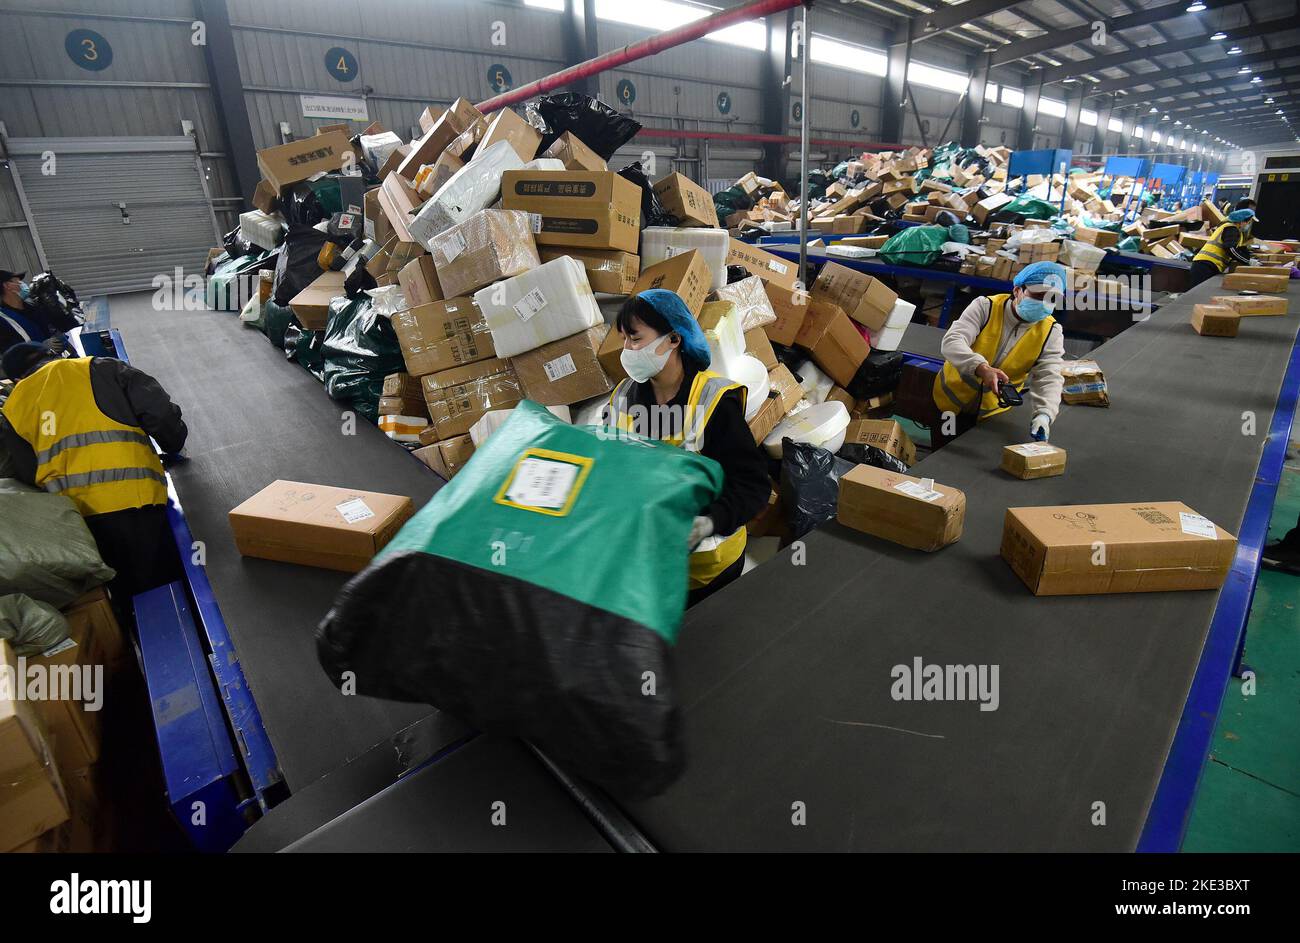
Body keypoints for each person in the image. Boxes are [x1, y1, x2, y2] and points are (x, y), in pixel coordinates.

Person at [604, 289, 770, 607]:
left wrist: (710, 521)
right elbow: (612, 467)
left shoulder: (714, 402)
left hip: (707, 572)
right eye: (624, 339)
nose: (627, 350)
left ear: (674, 339)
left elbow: (752, 485)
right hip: (650, 565)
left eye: (635, 339)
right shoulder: (622, 397)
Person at [0, 342, 187, 606]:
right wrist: (173, 442)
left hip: (77, 523)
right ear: (51, 354)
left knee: (122, 595)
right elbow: (159, 413)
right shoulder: (100, 368)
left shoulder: (12, 408)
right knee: (163, 586)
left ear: (17, 379)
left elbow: (28, 473)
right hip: (135, 500)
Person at [932, 260, 1066, 443]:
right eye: (1038, 295)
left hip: (992, 413)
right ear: (1017, 290)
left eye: (1051, 298)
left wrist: (1044, 414)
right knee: (941, 454)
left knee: (970, 460)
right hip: (950, 402)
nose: (1044, 303)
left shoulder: (1051, 331)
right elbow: (952, 341)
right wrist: (981, 368)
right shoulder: (985, 307)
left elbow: (1049, 376)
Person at [1, 270, 66, 360]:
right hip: (36, 369)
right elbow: (10, 356)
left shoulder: (33, 306)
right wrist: (40, 348)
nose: (22, 284)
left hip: (58, 359)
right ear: (7, 286)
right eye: (18, 281)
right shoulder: (4, 320)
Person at [1189, 208, 1256, 288]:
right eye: (1249, 222)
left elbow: (1237, 249)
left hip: (1207, 265)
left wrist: (1247, 256)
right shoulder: (1231, 229)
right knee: (1197, 294)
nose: (1249, 225)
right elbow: (1230, 249)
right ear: (1241, 221)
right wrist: (1248, 261)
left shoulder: (1234, 230)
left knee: (1198, 293)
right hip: (1206, 265)